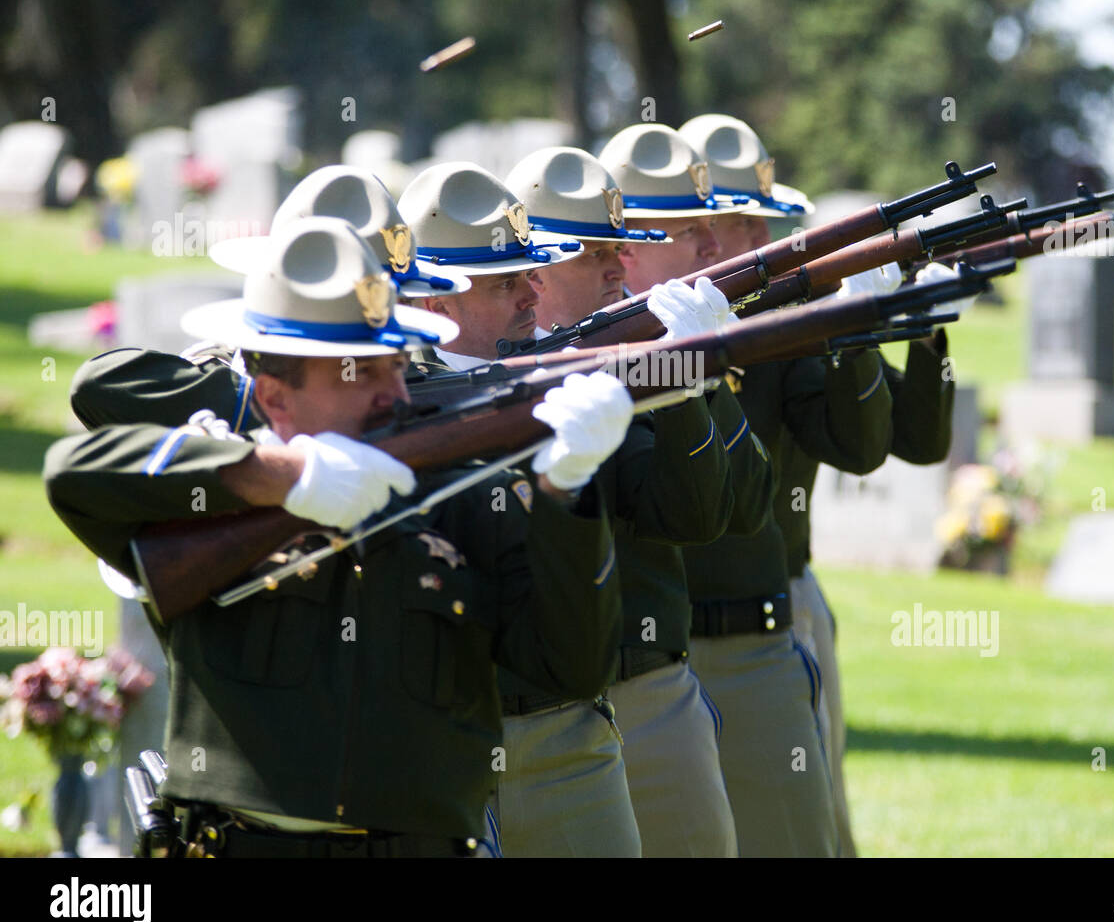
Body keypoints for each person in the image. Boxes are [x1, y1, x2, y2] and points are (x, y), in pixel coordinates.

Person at [44, 217, 632, 858]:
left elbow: (569, 665)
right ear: (273, 396)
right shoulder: (215, 499)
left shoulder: (459, 491)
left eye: (396, 367)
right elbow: (72, 473)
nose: (395, 394)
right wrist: (281, 477)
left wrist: (566, 497)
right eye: (359, 374)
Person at [504, 144, 769, 856]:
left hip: (642, 686)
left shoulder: (622, 353)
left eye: (619, 249)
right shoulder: (463, 375)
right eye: (595, 252)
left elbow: (705, 513)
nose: (619, 267)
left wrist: (690, 381)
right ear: (532, 266)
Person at [399, 160, 646, 856]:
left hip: (562, 733)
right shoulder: (378, 408)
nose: (533, 290)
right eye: (506, 279)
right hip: (432, 752)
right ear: (438, 304)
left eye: (530, 271)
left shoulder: (557, 378)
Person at [673, 113, 894, 857]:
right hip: (653, 656)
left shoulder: (783, 323)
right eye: (737, 222)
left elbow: (866, 446)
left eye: (753, 222)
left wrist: (863, 327)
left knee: (807, 830)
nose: (756, 241)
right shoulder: (634, 334)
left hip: (759, 618)